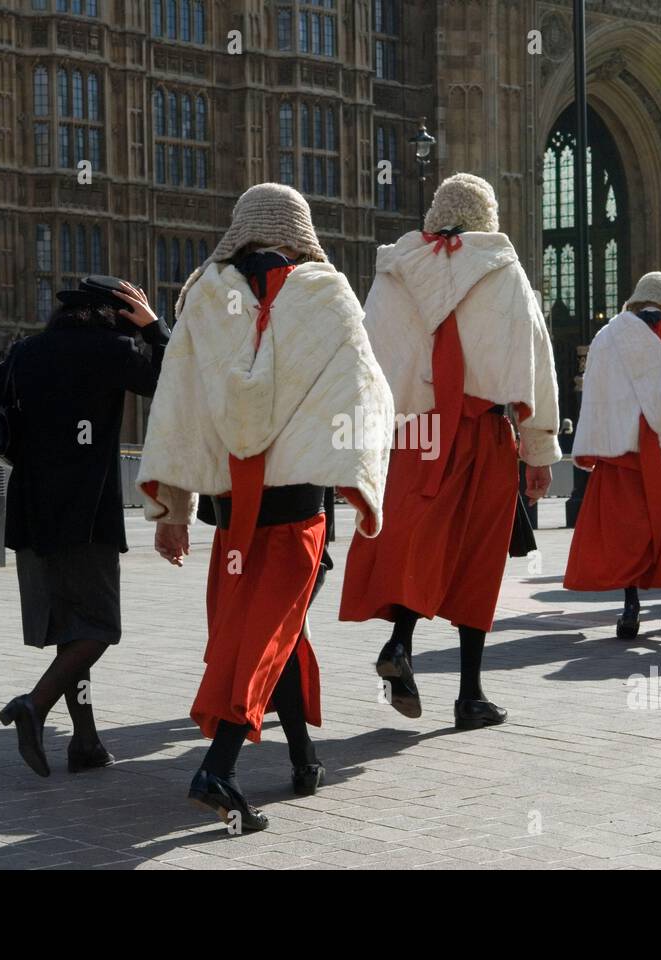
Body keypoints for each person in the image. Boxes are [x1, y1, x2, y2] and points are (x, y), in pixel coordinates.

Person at [137, 183, 393, 832]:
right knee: (265, 635)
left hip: (230, 515)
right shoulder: (327, 292)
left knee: (270, 631)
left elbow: (177, 405)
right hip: (295, 506)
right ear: (298, 231)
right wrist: (359, 484)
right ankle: (218, 769)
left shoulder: (203, 296)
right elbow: (365, 392)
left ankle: (303, 761)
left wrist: (172, 507)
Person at [339, 173, 560, 730]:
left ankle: (400, 643)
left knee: (419, 542)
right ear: (489, 216)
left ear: (434, 213)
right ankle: (469, 695)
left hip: (412, 433)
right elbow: (537, 364)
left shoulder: (394, 271)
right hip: (480, 431)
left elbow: (370, 356)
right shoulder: (505, 271)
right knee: (477, 559)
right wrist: (538, 453)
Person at [0, 275, 169, 778]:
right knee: (99, 627)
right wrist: (157, 330)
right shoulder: (115, 349)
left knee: (70, 632)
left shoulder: (27, 351)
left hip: (32, 511)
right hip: (87, 513)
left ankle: (85, 741)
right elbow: (176, 381)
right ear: (117, 313)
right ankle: (33, 706)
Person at [564, 272, 661, 638]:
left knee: (627, 533)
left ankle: (630, 607)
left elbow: (597, 393)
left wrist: (599, 438)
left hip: (623, 454)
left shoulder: (609, 335)